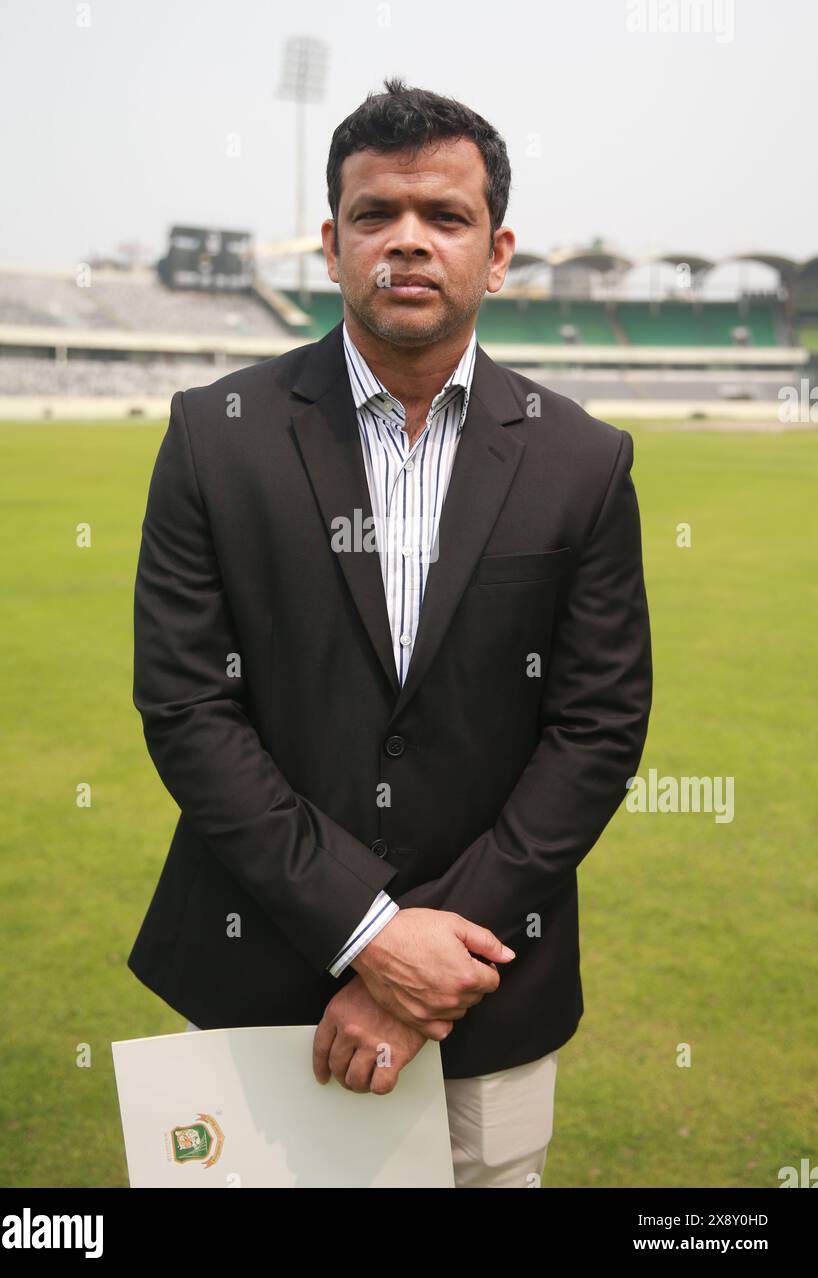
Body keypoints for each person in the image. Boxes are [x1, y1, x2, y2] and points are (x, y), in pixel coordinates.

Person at [128, 77, 653, 1188]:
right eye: (375, 215)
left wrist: (428, 954)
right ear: (330, 243)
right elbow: (187, 706)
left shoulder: (581, 460)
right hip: (257, 988)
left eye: (444, 217)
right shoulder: (214, 437)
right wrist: (366, 932)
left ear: (497, 252)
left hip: (482, 996)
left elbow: (596, 727)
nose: (406, 242)